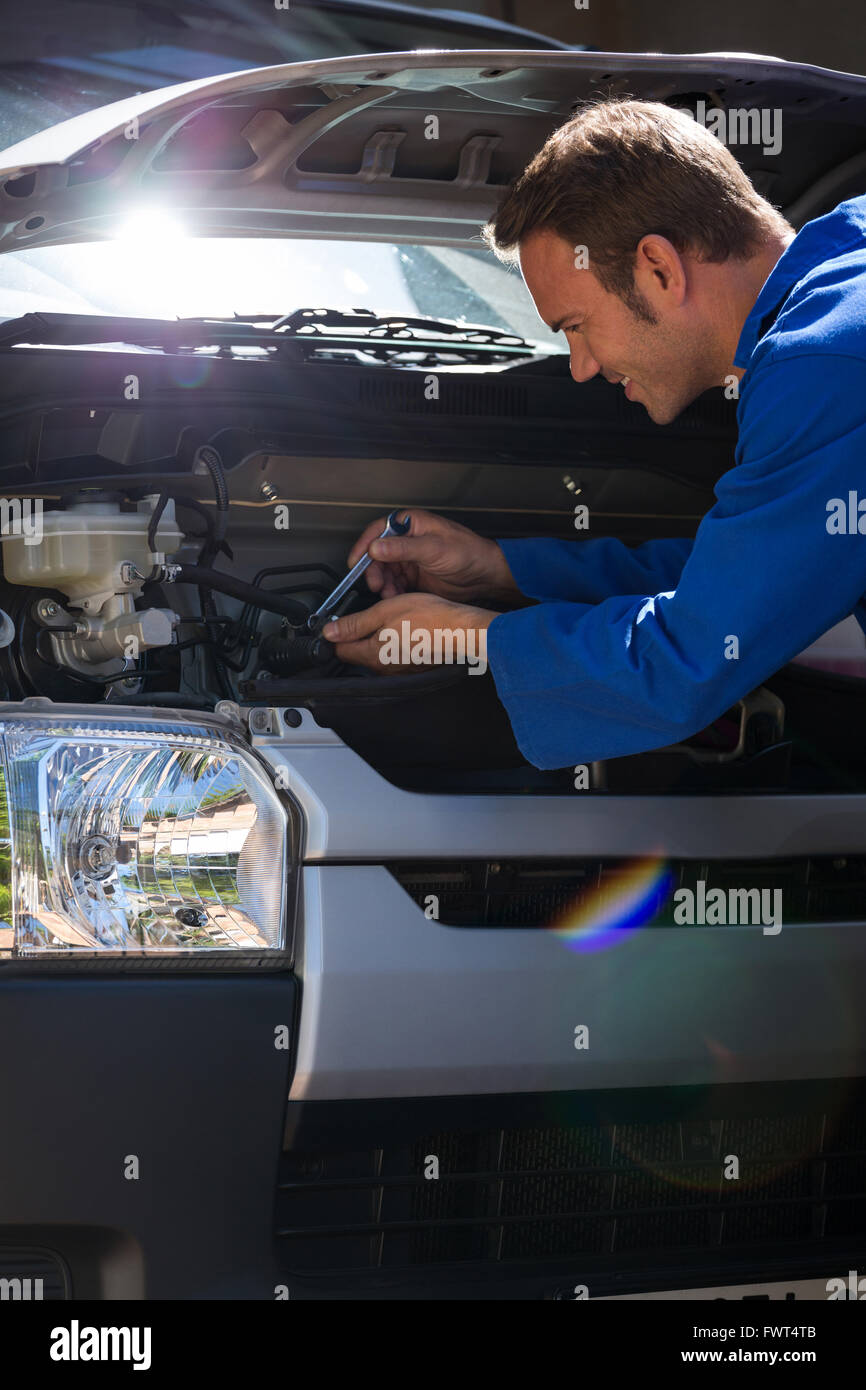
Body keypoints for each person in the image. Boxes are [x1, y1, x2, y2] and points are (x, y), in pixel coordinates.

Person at [320, 98, 866, 770]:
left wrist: (472, 639)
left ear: (660, 270)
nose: (580, 368)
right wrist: (502, 570)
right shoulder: (849, 268)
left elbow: (686, 662)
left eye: (576, 325)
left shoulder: (822, 363)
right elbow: (752, 568)